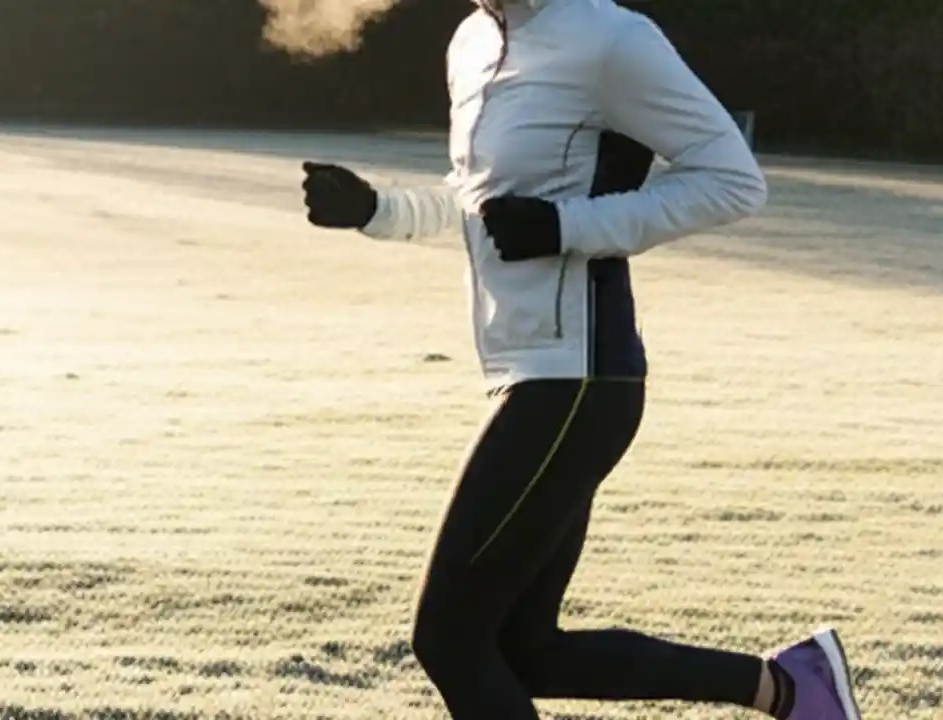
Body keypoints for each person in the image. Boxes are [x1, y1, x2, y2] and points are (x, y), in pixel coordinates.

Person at [301, 0, 863, 717]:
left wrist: (570, 226)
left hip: (579, 375)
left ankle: (797, 689)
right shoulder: (473, 43)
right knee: (527, 649)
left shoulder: (610, 38)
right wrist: (377, 209)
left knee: (448, 636)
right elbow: (481, 200)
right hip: (526, 371)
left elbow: (731, 179)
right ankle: (792, 688)